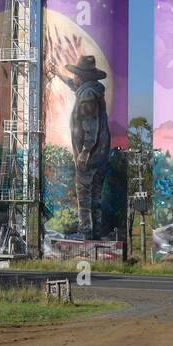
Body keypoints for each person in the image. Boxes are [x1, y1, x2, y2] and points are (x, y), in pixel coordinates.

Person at [66, 55, 111, 239]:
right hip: (101, 154)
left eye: (76, 74)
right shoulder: (93, 90)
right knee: (96, 197)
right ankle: (96, 232)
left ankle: (84, 232)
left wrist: (85, 151)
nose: (74, 77)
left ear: (82, 77)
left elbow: (90, 124)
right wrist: (59, 76)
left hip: (90, 155)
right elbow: (74, 87)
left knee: (84, 195)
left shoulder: (87, 96)